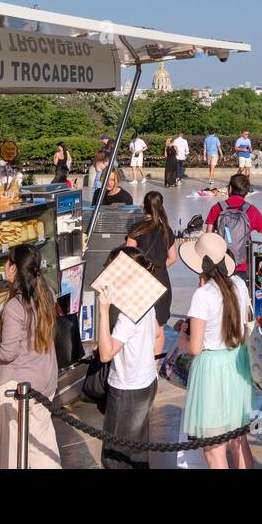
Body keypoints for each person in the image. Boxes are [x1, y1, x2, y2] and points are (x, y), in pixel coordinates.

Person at [179, 231, 254, 469]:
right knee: (239, 441)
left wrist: (182, 336)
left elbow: (195, 347)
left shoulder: (202, 295)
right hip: (237, 364)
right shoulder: (239, 284)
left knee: (214, 450)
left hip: (211, 372)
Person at [0, 245, 61, 468]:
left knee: (10, 450)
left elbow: (9, 353)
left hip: (18, 386)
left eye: (7, 262)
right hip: (46, 380)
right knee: (41, 442)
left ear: (14, 269)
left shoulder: (14, 306)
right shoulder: (48, 294)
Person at [96, 247, 160, 469]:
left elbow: (105, 354)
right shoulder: (146, 300)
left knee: (116, 457)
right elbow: (157, 332)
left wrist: (103, 311)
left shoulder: (128, 316)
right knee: (137, 451)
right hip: (146, 381)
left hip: (128, 389)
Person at [126, 190, 176, 326]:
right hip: (161, 279)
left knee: (141, 325)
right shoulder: (166, 229)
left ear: (144, 206)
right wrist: (158, 264)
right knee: (159, 327)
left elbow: (128, 256)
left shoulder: (137, 228)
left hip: (142, 280)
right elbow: (172, 257)